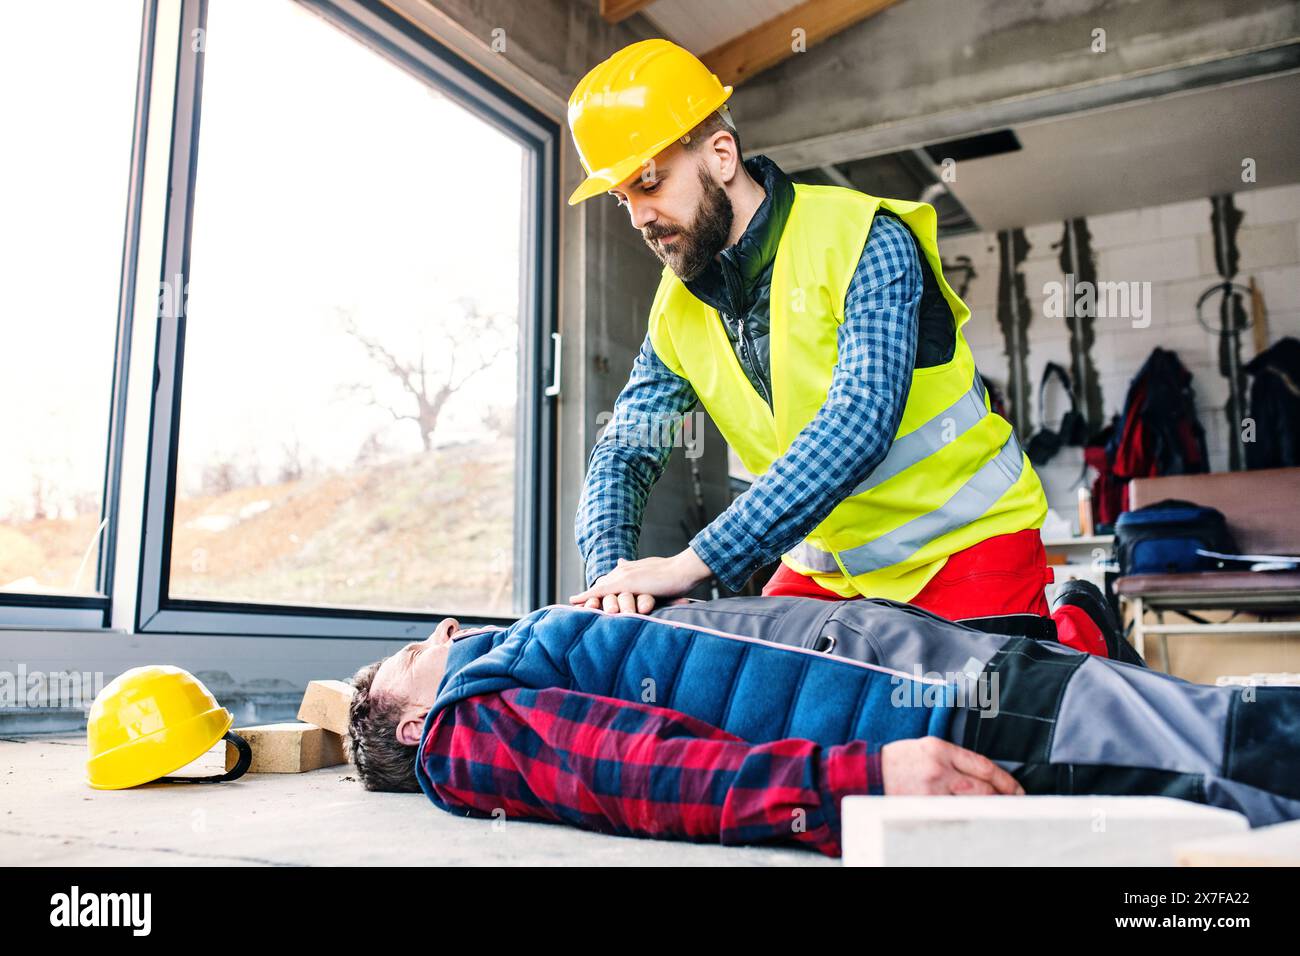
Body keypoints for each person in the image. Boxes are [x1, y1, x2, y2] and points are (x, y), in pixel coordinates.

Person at [564, 39, 1107, 656]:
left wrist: (694, 562)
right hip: (829, 571)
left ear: (720, 155)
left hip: (963, 544)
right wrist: (613, 580)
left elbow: (860, 420)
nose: (638, 217)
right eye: (622, 197)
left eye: (650, 182)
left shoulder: (864, 238)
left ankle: (1086, 634)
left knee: (989, 729)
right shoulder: (677, 305)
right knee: (764, 703)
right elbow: (627, 448)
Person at [346, 597, 1300, 857]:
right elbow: (649, 774)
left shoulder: (515, 663)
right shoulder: (463, 736)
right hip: (963, 721)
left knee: (1242, 736)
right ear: (418, 720)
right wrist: (864, 785)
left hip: (959, 681)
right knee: (1245, 760)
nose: (442, 632)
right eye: (413, 656)